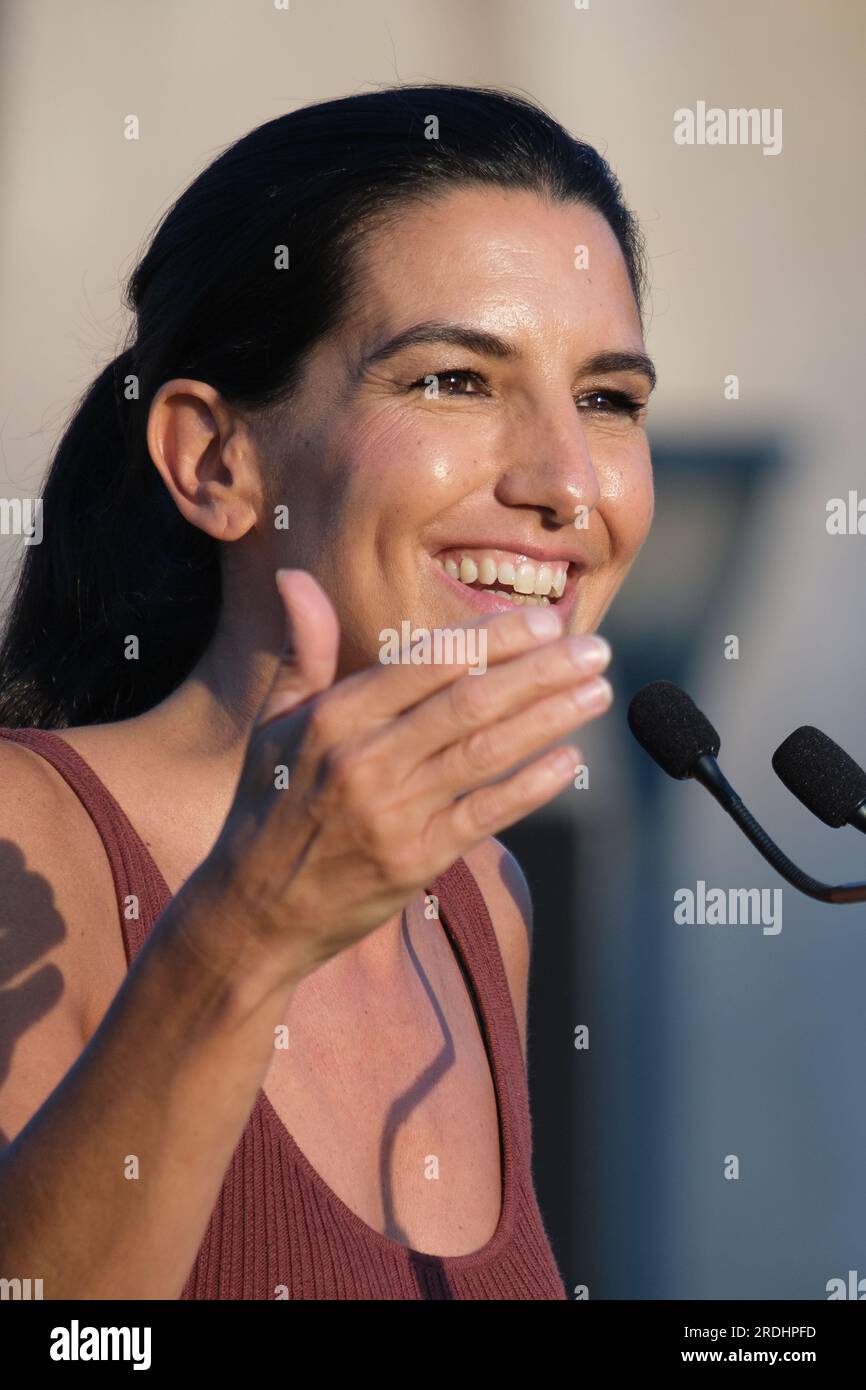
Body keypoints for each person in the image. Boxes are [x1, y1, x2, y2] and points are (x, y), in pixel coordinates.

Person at [0, 83, 654, 1299]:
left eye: (608, 399)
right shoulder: (22, 832)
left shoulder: (483, 900)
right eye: (453, 379)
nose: (568, 482)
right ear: (215, 458)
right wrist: (246, 933)